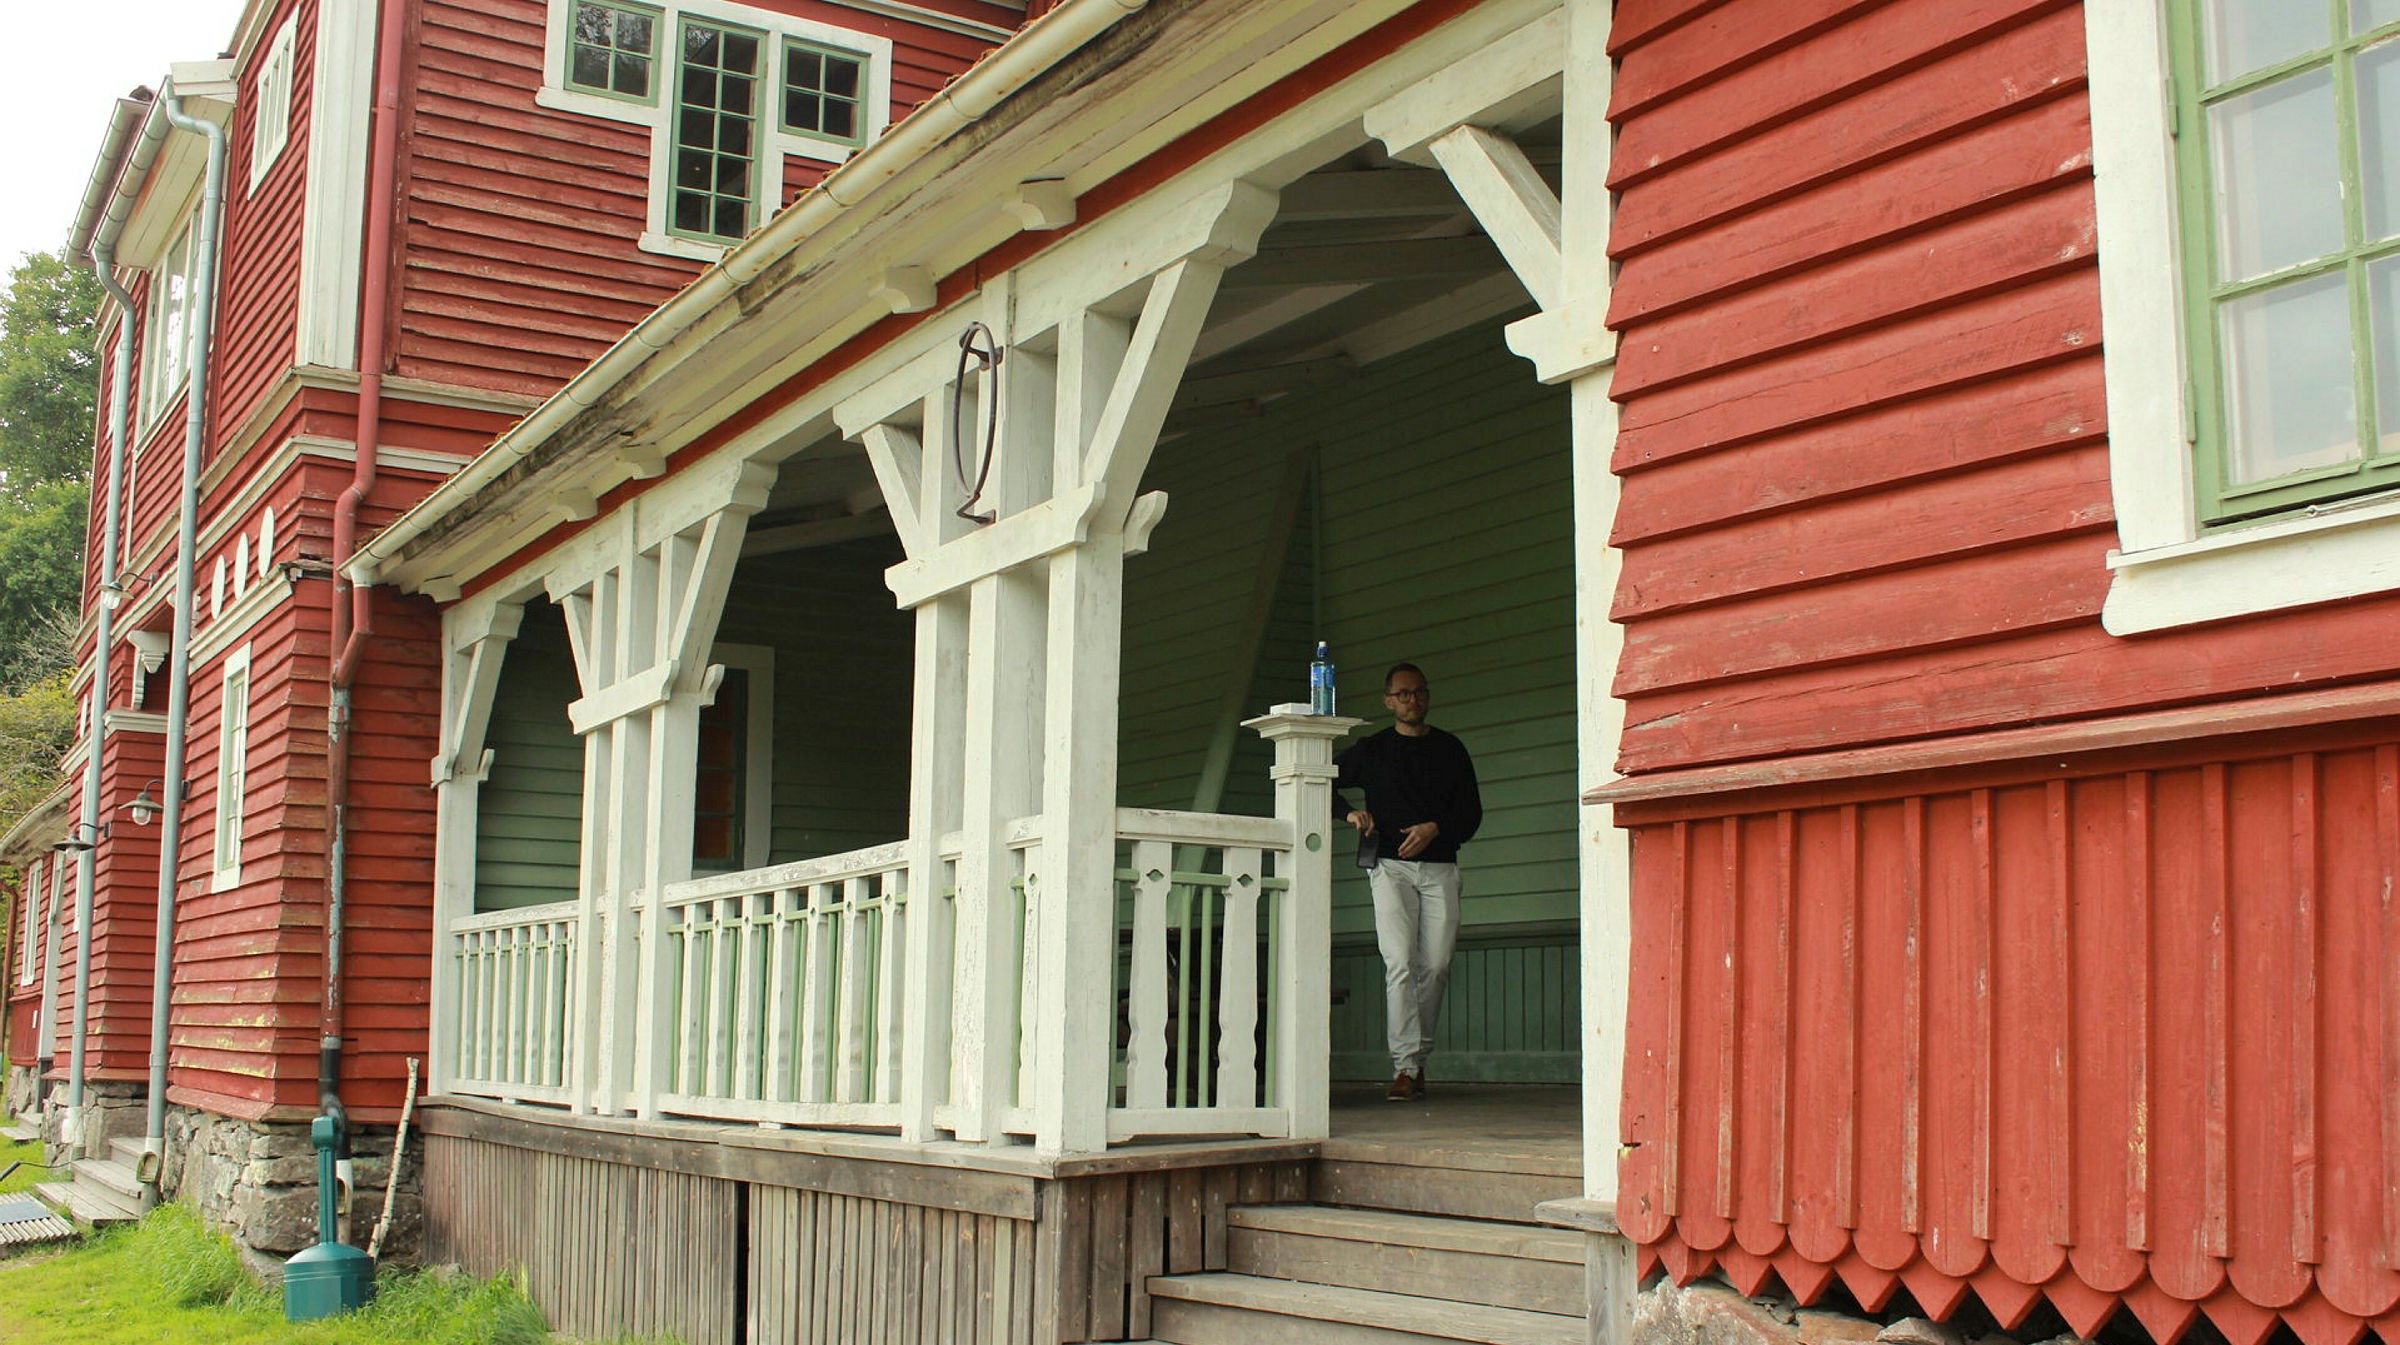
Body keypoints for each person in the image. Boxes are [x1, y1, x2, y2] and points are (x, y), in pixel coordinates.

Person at [1332, 662, 1481, 1102]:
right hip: (1389, 867)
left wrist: (1435, 827)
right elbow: (1323, 778)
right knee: (1399, 962)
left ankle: (1418, 1059)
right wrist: (1349, 813)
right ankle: (1406, 1066)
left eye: (1418, 693)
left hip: (1440, 867)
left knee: (1434, 965)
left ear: (1427, 697)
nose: (1411, 700)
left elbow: (1471, 814)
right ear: (1388, 701)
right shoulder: (1373, 749)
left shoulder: (1450, 749)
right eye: (1402, 694)